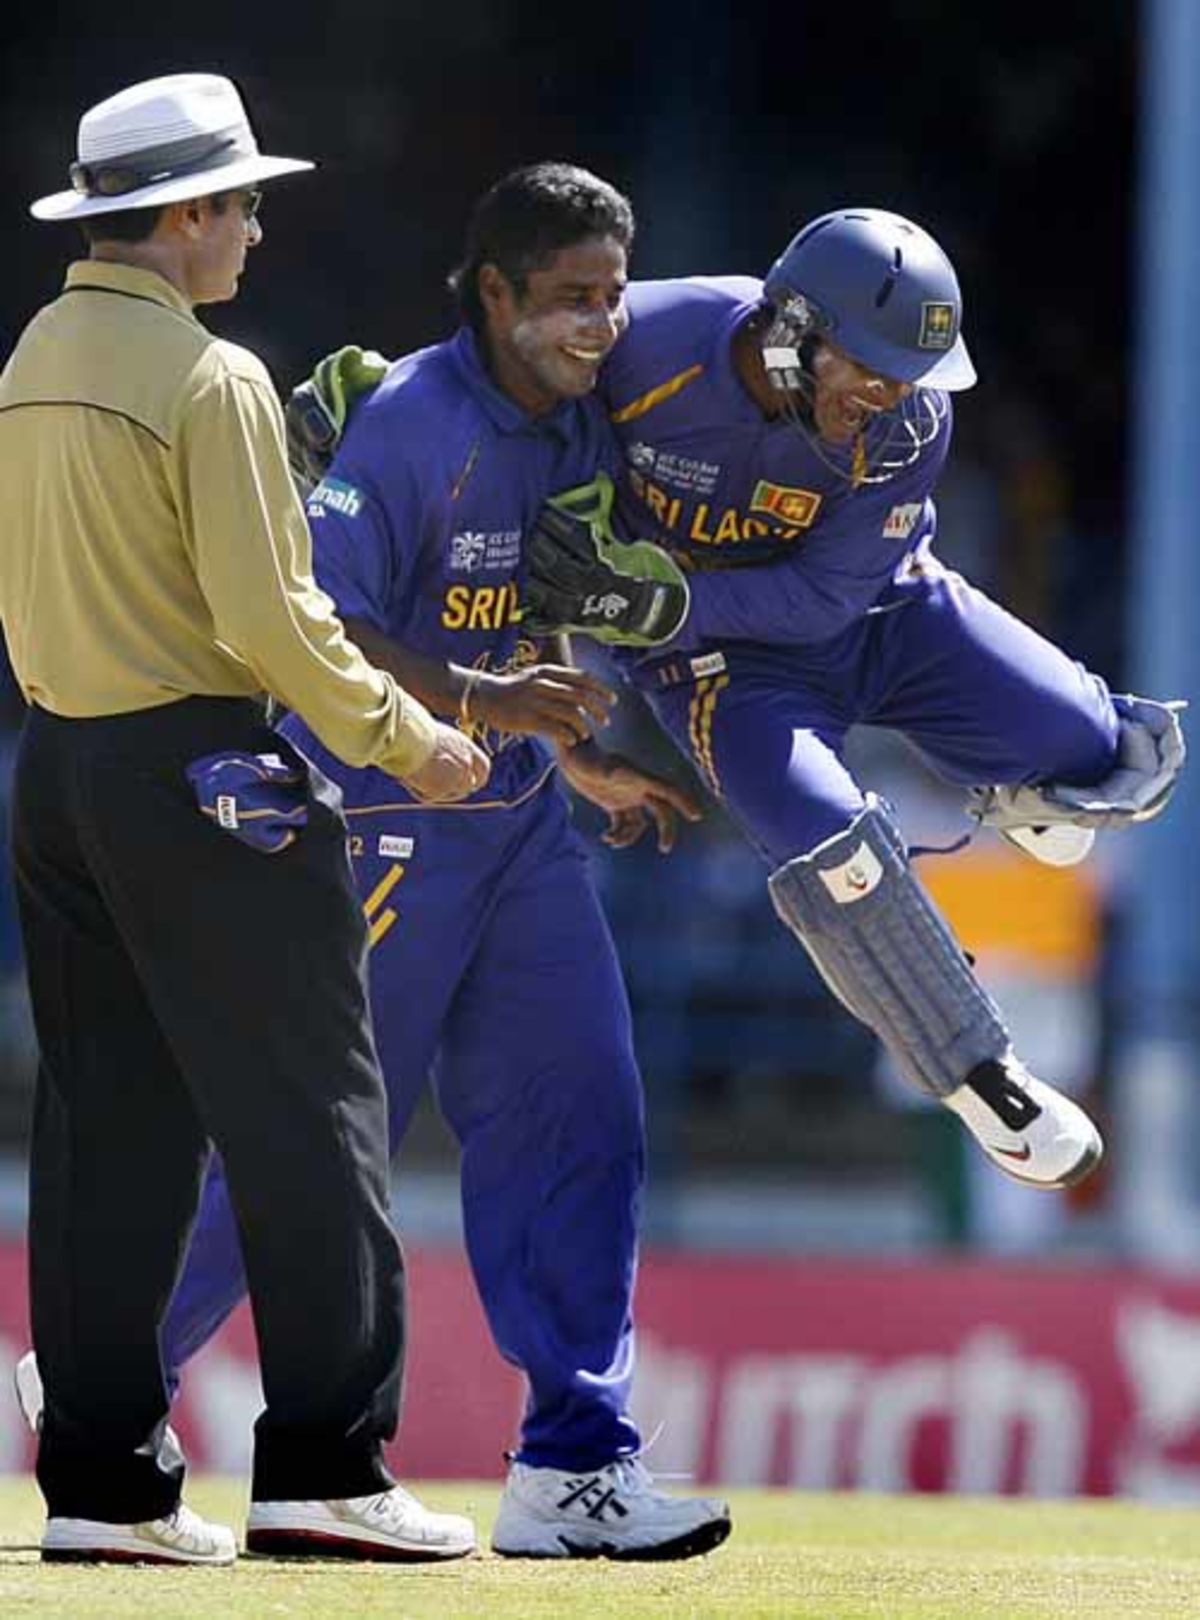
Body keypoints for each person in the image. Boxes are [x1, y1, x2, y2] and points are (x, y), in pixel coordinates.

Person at [73, 162, 730, 1561]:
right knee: (311, 1152)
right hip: (383, 825)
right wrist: (492, 708)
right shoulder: (421, 421)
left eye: (613, 299)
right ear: (493, 294)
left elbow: (520, 638)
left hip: (519, 830)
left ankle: (575, 1468)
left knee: (585, 1119)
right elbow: (323, 618)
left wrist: (580, 753)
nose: (598, 328)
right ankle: (97, 1382)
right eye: (566, 302)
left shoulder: (575, 433)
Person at [1, 73, 489, 1566]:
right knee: (314, 1110)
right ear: (187, 214)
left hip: (58, 768)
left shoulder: (32, 355)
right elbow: (274, 621)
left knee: (102, 1126)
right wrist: (413, 740)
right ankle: (328, 1468)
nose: (259, 231)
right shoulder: (210, 381)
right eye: (244, 203)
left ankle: (98, 1482)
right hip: (206, 770)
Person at [519, 207, 1184, 1188]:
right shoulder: (642, 344)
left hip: (881, 612)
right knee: (832, 846)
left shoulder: (912, 417)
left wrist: (651, 602)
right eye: (866, 367)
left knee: (1110, 754)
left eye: (905, 375)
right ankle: (977, 1075)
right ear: (788, 328)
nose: (886, 395)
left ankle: (1011, 783)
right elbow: (498, 431)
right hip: (721, 671)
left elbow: (821, 596)